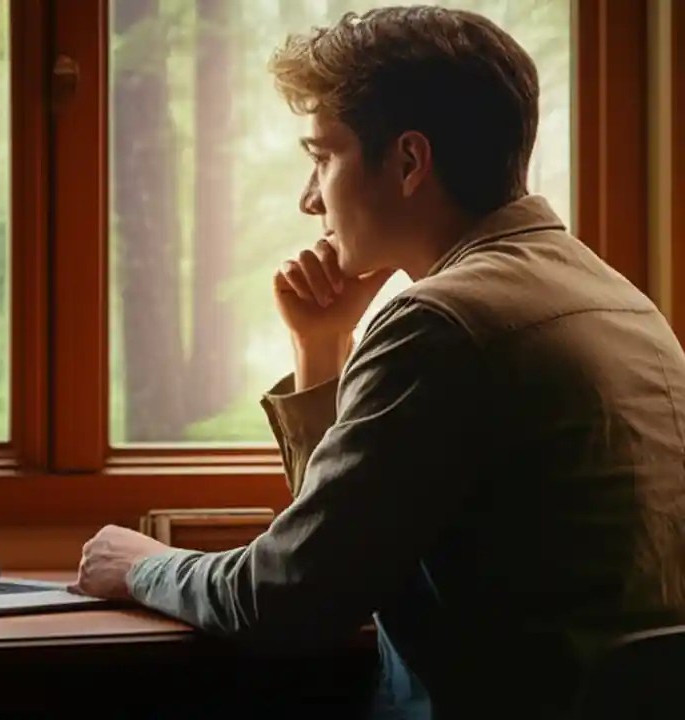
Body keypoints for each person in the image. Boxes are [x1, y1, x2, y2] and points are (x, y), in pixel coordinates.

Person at [69, 5, 685, 719]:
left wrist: (143, 567)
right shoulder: (626, 304)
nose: (310, 199)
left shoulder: (441, 325)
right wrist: (321, 347)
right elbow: (340, 550)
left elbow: (287, 599)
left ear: (409, 162)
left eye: (322, 157)